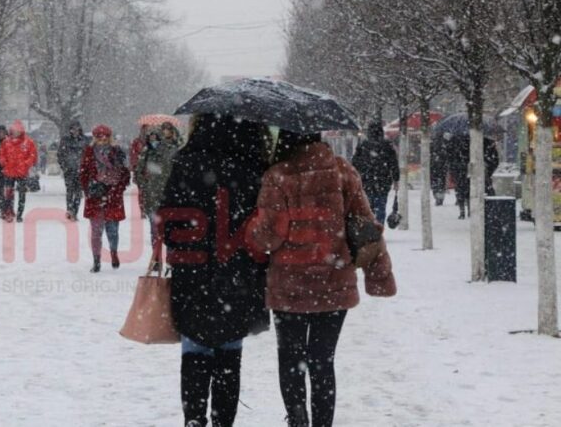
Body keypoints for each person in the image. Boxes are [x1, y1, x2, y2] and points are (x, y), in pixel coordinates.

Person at [247, 130, 397, 427]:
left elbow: (269, 236)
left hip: (289, 286)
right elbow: (366, 226)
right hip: (334, 283)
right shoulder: (343, 171)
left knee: (291, 359)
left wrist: (253, 228)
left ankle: (298, 419)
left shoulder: (278, 176)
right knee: (322, 360)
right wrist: (379, 275)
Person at [159, 114, 269, 427]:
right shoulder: (255, 168)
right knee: (229, 355)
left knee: (195, 349)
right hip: (239, 274)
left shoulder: (186, 163)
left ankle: (194, 418)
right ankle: (223, 422)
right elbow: (263, 228)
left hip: (193, 272)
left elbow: (168, 223)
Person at [79, 124, 130, 272]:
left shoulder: (117, 152)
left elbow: (125, 174)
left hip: (114, 196)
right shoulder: (88, 153)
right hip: (95, 196)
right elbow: (83, 173)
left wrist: (117, 187)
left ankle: (114, 253)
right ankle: (97, 260)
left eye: (106, 136)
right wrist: (89, 189)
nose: (103, 139)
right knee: (96, 231)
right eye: (99, 136)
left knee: (113, 230)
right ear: (95, 138)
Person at [134, 127, 179, 267]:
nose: (153, 140)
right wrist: (145, 183)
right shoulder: (145, 152)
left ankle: (171, 259)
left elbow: (175, 169)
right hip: (152, 196)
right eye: (150, 137)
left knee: (170, 230)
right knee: (155, 231)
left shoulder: (170, 150)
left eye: (155, 137)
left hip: (168, 196)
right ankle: (156, 259)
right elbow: (137, 172)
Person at [351, 120, 400, 224]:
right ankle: (379, 227)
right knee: (381, 206)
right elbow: (394, 164)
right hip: (383, 182)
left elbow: (354, 163)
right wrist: (396, 179)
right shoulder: (387, 146)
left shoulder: (363, 145)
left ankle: (369, 228)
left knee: (367, 207)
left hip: (366, 181)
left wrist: (360, 173)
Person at [449, 134, 501, 219]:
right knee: (484, 192)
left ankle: (465, 212)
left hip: (466, 173)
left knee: (463, 191)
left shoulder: (457, 142)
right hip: (478, 174)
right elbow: (494, 160)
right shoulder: (486, 143)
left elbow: (452, 159)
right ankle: (485, 211)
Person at [0, 120, 37, 223]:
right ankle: (8, 213)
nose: (16, 133)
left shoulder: (28, 142)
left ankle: (20, 214)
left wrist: (25, 164)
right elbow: (1, 154)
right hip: (9, 172)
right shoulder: (6, 142)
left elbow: (32, 156)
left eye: (18, 131)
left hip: (22, 172)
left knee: (22, 194)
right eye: (14, 131)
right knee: (9, 194)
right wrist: (4, 163)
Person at [57, 120, 89, 221]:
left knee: (78, 193)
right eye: (73, 128)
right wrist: (64, 166)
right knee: (70, 191)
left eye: (77, 128)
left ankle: (75, 211)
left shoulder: (85, 140)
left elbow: (88, 155)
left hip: (81, 170)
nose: (75, 130)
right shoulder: (65, 140)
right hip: (69, 170)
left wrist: (86, 167)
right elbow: (60, 154)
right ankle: (70, 210)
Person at [129, 125, 149, 219]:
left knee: (150, 192)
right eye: (144, 130)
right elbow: (133, 155)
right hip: (140, 170)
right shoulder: (136, 142)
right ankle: (143, 210)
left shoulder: (153, 141)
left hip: (151, 170)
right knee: (142, 192)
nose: (145, 132)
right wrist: (135, 166)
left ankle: (148, 209)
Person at [430, 132, 449, 206]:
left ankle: (437, 196)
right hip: (441, 167)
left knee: (435, 183)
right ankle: (440, 197)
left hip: (435, 167)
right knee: (441, 183)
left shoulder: (432, 143)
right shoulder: (445, 143)